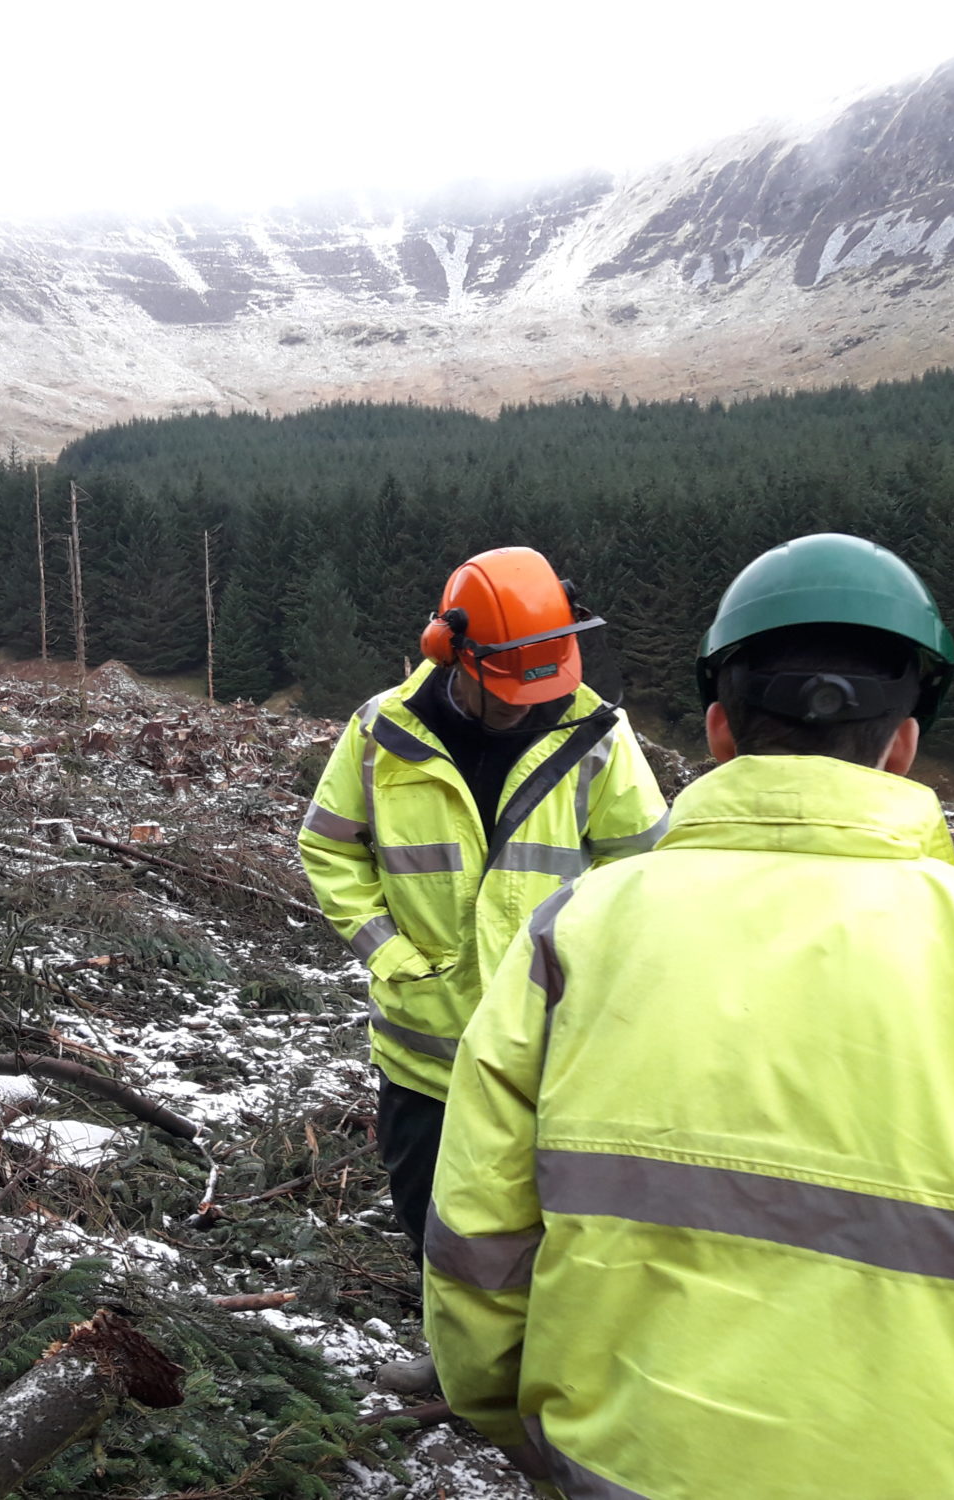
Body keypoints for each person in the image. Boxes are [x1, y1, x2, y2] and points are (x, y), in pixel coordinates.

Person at [425, 533, 954, 1498]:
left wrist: (517, 1426)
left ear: (718, 731)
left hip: (620, 1464)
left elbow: (478, 1234)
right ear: (905, 745)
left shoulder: (573, 934)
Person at [299, 546, 668, 1390]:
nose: (526, 706)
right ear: (451, 652)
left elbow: (649, 869)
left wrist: (599, 981)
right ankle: (459, 1362)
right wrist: (389, 953)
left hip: (554, 1050)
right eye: (509, 690)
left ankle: (559, 1372)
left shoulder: (597, 737)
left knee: (553, 1217)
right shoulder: (383, 733)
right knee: (427, 1212)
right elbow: (328, 845)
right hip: (424, 1047)